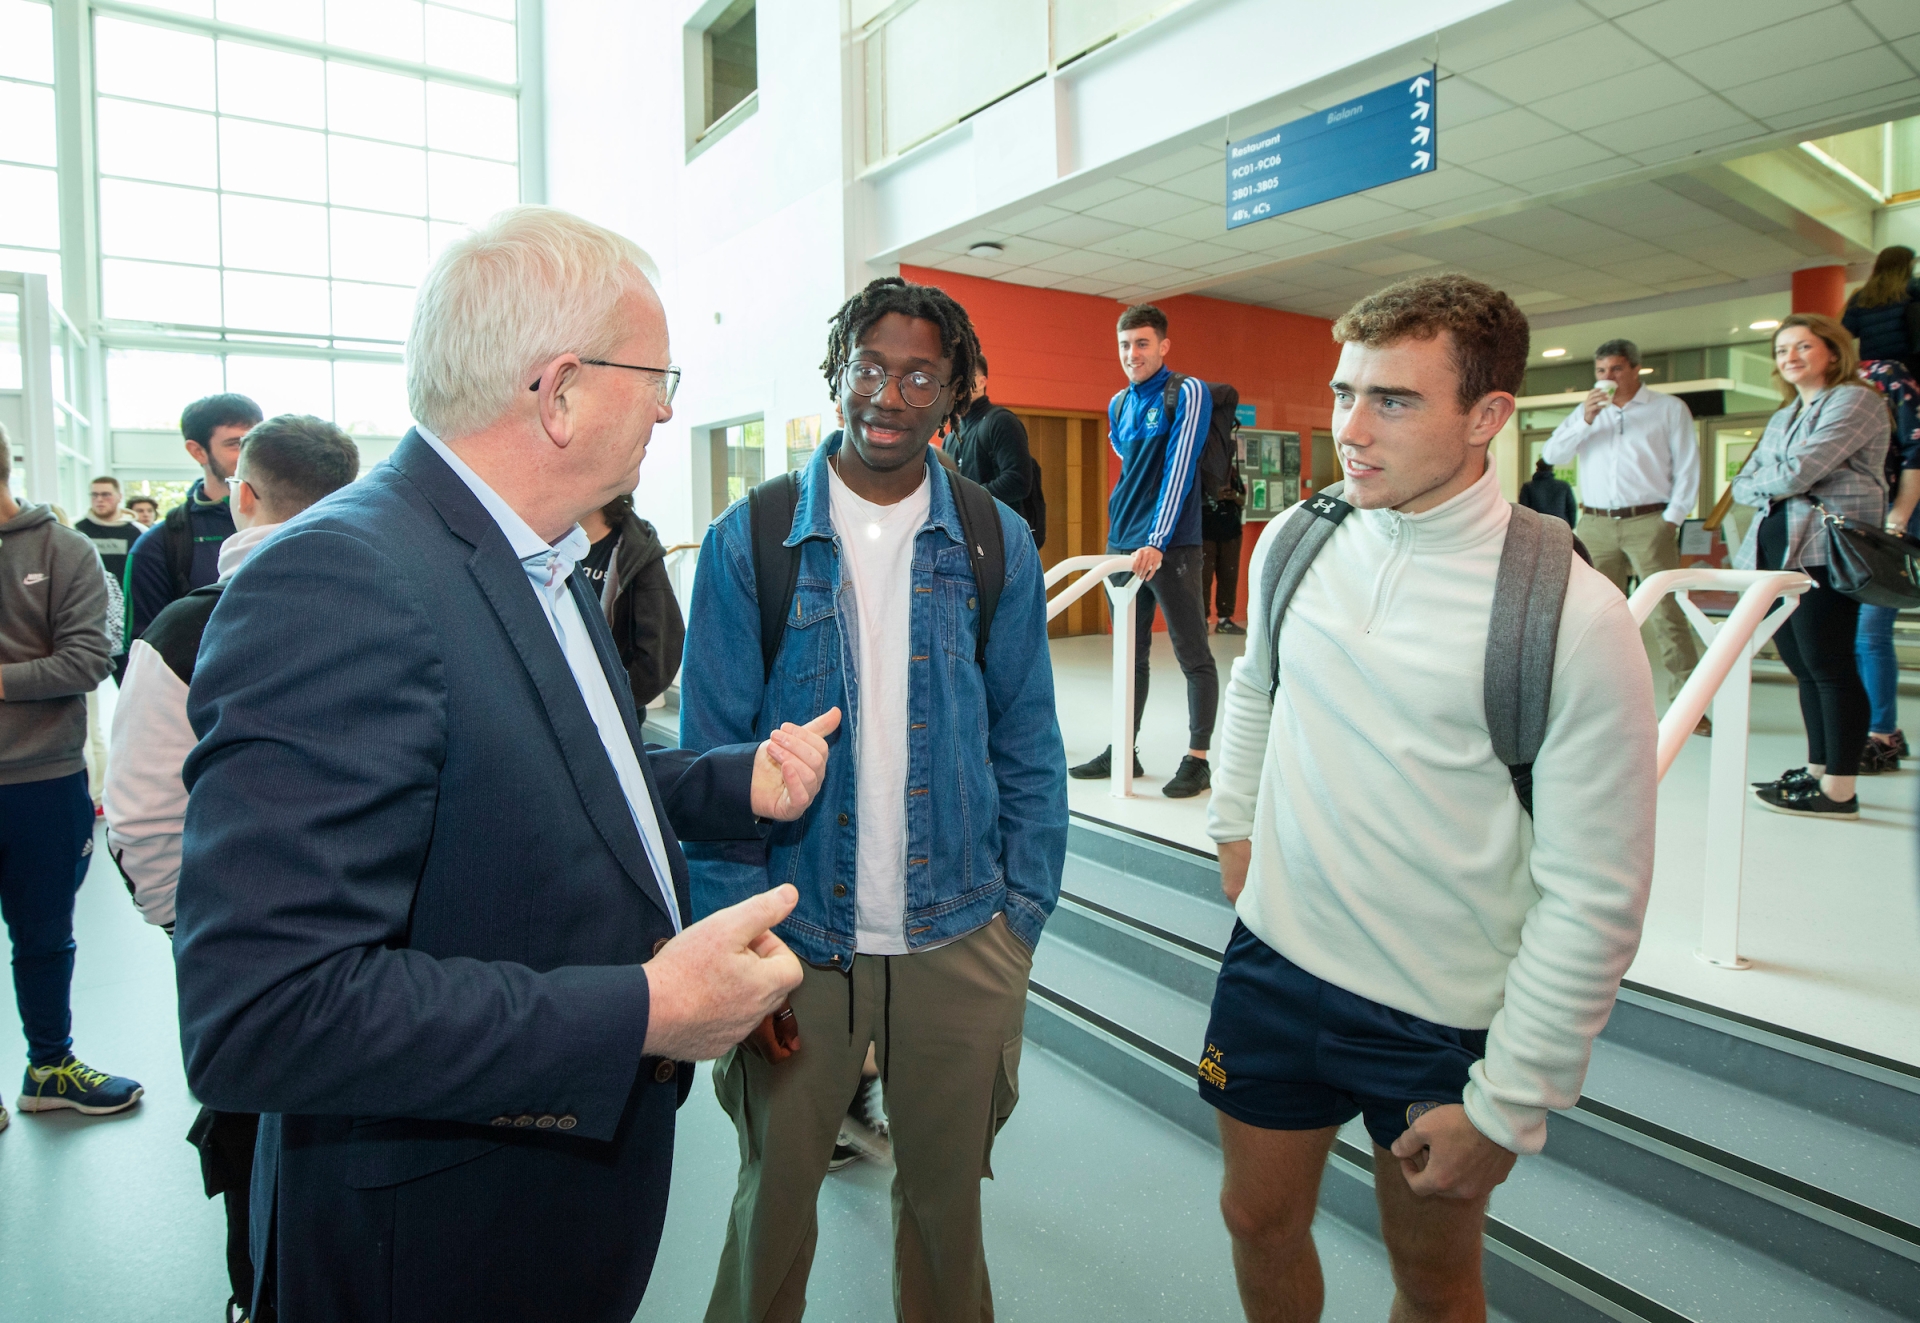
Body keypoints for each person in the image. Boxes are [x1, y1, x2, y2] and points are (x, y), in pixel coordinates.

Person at [172, 206, 839, 1323]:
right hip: (434, 1252)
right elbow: (266, 1010)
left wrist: (731, 783)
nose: (671, 405)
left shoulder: (537, 558)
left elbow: (562, 778)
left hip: (545, 1212)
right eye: (657, 374)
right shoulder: (343, 582)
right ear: (562, 390)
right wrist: (641, 1011)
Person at [1203, 275, 1656, 1323]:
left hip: (1438, 1019)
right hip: (1274, 967)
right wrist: (1235, 829)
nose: (1350, 430)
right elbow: (1258, 688)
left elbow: (1597, 895)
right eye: (1343, 391)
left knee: (1434, 1282)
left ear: (1486, 417)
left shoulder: (1575, 618)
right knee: (1254, 1221)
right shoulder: (1297, 542)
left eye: (1394, 401)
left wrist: (1507, 1108)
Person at [680, 275, 1067, 1323]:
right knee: (774, 1211)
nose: (886, 396)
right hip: (796, 939)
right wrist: (736, 951)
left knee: (947, 1216)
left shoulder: (995, 543)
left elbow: (1029, 744)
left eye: (918, 375)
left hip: (960, 936)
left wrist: (1018, 922)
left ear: (954, 397)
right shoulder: (751, 541)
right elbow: (710, 766)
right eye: (868, 367)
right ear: (836, 373)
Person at [106, 413, 359, 1323]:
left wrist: (192, 926)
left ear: (244, 496)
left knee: (258, 1159)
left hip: (242, 962)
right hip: (385, 966)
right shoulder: (396, 609)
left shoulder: (186, 631)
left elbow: (140, 818)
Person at [0, 422, 142, 1131]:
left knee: (44, 933)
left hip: (39, 779)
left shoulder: (62, 550)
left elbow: (85, 660)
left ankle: (49, 1066)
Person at [1737, 314, 1889, 819]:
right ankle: (1818, 769)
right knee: (1803, 668)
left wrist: (1771, 479)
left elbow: (1803, 469)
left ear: (1831, 351)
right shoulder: (1784, 416)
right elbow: (1743, 481)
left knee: (1830, 666)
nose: (1790, 357)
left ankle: (1840, 789)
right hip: (1780, 552)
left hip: (1827, 551)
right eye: (1782, 351)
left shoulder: (1856, 399)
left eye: (1803, 346)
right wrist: (1773, 480)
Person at [1070, 303, 1217, 798]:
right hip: (1122, 544)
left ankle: (1198, 759)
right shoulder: (1118, 403)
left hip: (1171, 545)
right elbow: (1128, 463)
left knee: (1191, 652)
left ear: (1164, 346)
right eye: (1125, 345)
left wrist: (1157, 539)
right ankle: (1123, 749)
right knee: (1129, 657)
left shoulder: (1187, 392)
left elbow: (1178, 466)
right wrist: (1130, 537)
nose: (1132, 354)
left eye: (1142, 343)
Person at [1541, 339, 1703, 723]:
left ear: (1634, 369)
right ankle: (1600, 700)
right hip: (1595, 522)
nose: (1607, 378)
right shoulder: (1588, 412)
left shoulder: (1667, 409)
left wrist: (1672, 520)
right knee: (1593, 612)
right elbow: (1552, 456)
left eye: (1614, 369)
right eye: (1600, 371)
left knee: (1666, 612)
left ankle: (1690, 706)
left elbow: (1688, 467)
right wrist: (1584, 419)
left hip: (1649, 521)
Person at [1843, 246, 1920, 772]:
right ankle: (1879, 730)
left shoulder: (1878, 379)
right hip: (1876, 518)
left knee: (1870, 632)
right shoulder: (1887, 380)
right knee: (1865, 634)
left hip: (1889, 518)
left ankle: (1882, 731)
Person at [126, 393, 260, 641]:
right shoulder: (160, 546)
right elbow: (142, 648)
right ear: (197, 451)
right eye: (236, 444)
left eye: (257, 441)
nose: (251, 453)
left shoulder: (297, 521)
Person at [578, 491, 686, 709]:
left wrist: (615, 701)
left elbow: (660, 655)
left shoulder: (636, 551)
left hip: (609, 713)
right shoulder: (551, 546)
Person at [946, 353, 1038, 539]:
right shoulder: (951, 437)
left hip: (1001, 538)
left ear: (981, 382)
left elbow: (1018, 481)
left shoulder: (1001, 421)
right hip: (962, 538)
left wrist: (968, 499)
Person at [1201, 437, 1246, 633]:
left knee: (1229, 575)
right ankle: (1201, 619)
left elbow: (1243, 498)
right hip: (1205, 531)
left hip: (1231, 530)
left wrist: (1233, 497)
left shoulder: (1234, 474)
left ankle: (1224, 619)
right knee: (1203, 577)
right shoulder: (1201, 471)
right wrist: (1214, 495)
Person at [1518, 456, 1578, 527]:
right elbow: (1572, 508)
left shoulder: (1528, 487)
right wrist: (1570, 526)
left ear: (1537, 468)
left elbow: (1523, 511)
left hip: (1536, 527)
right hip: (1560, 526)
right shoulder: (1564, 486)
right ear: (1552, 469)